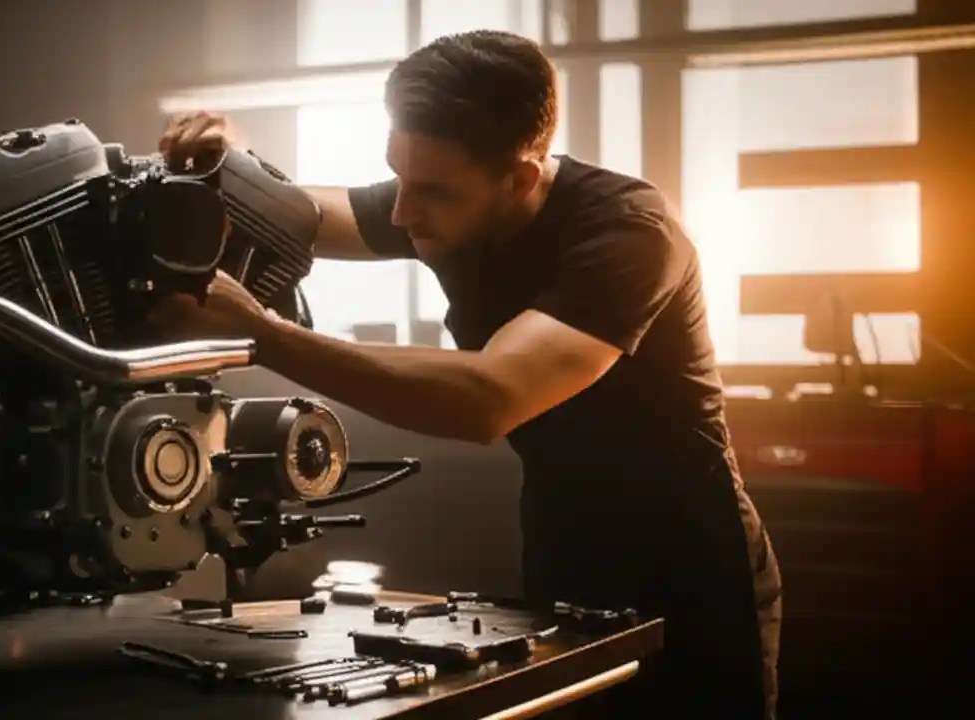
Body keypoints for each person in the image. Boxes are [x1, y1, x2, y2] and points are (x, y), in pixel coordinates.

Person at [151, 29, 782, 720]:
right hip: (562, 543)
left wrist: (264, 335)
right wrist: (220, 178)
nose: (399, 212)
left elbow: (489, 397)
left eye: (428, 191)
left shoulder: (631, 233)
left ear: (521, 178)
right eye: (398, 176)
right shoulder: (446, 200)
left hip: (690, 563)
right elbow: (300, 218)